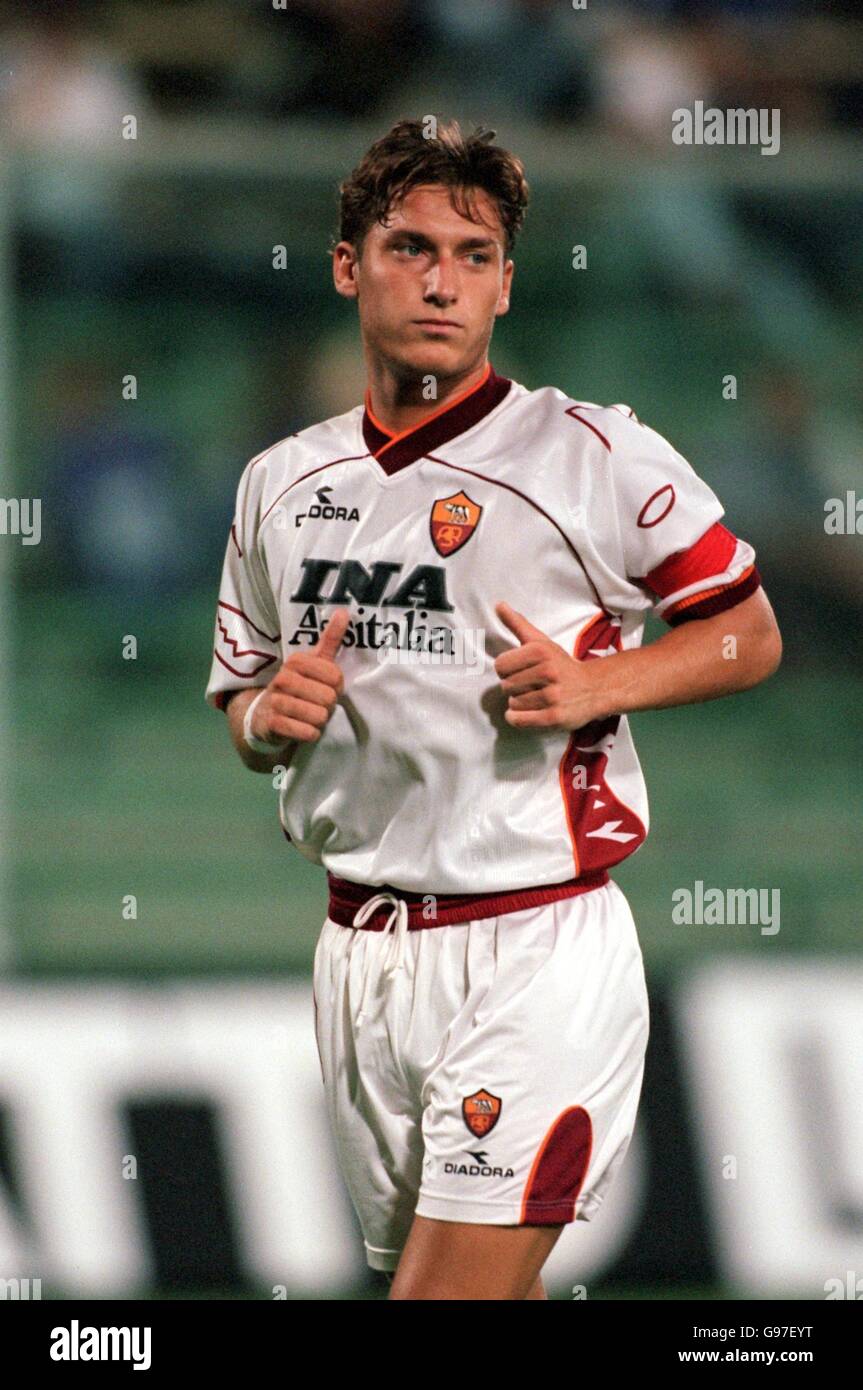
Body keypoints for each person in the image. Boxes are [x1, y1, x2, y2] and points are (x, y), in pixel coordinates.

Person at [204, 118, 782, 1300]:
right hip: (359, 955)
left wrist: (602, 682)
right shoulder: (283, 480)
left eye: (472, 255)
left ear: (507, 285)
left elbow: (747, 630)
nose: (439, 280)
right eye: (409, 246)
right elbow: (241, 701)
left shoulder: (592, 455)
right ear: (345, 265)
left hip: (533, 944)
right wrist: (269, 715)